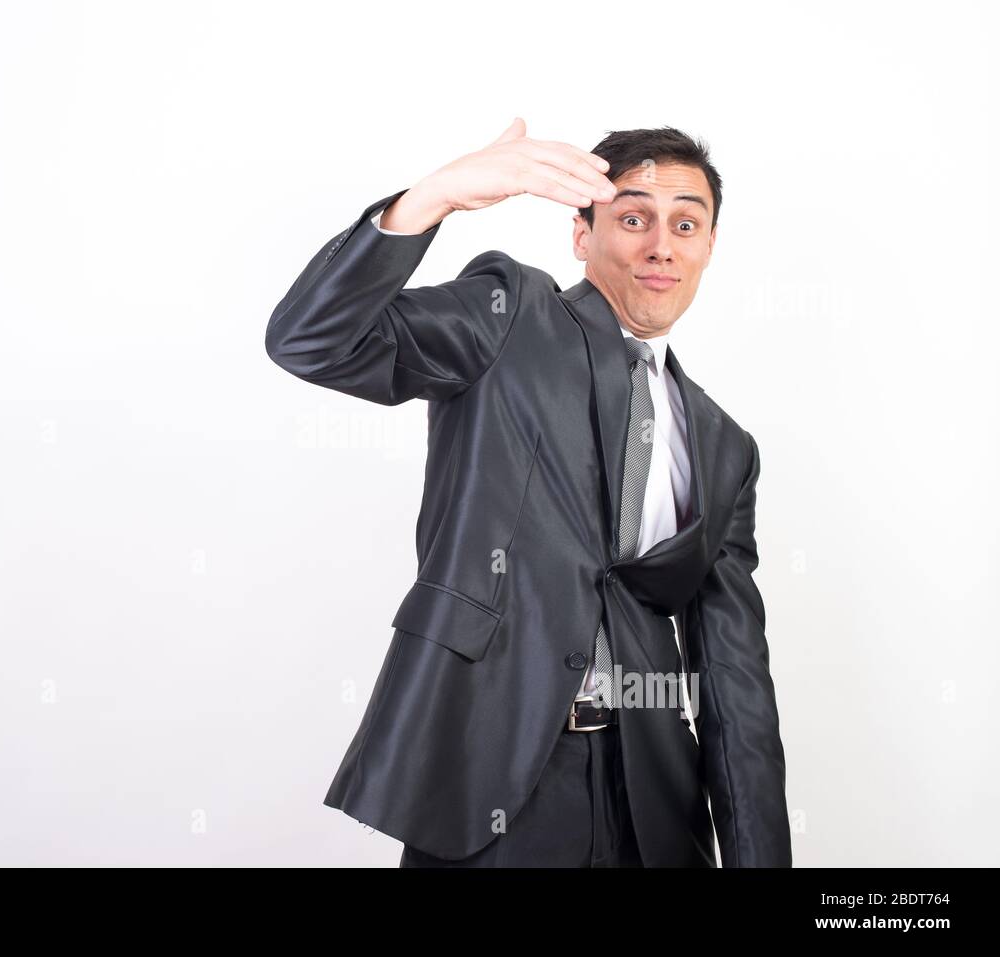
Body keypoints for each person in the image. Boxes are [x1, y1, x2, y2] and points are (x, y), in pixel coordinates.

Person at [264, 120, 791, 867]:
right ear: (582, 234)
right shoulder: (507, 318)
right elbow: (312, 339)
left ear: (708, 247)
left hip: (655, 805)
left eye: (686, 224)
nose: (661, 245)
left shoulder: (724, 446)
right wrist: (434, 196)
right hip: (494, 780)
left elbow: (736, 682)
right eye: (633, 217)